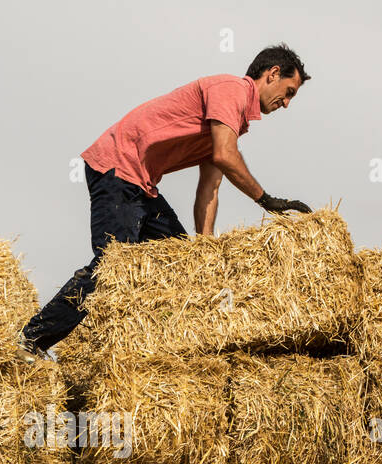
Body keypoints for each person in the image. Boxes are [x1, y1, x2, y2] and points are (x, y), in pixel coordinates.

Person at [17, 43, 313, 361]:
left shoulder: (232, 124)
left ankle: (160, 355)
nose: (286, 103)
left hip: (142, 186)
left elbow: (209, 189)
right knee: (112, 268)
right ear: (272, 74)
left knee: (180, 264)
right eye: (289, 92)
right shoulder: (232, 90)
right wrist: (266, 200)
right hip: (118, 167)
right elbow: (224, 156)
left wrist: (205, 250)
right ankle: (31, 339)